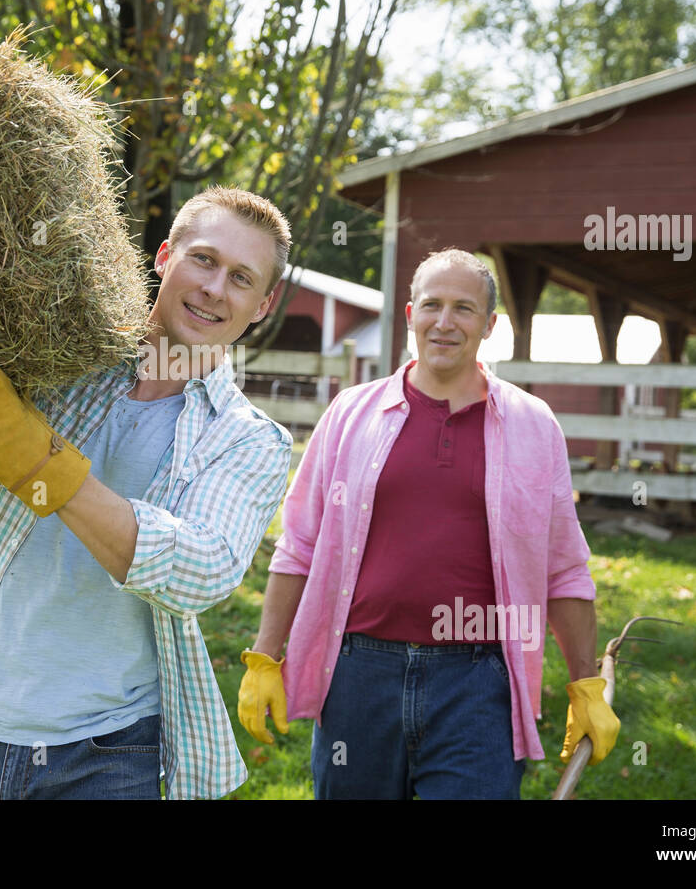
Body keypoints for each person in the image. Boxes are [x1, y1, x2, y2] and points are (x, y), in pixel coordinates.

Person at [0, 186, 293, 800]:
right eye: (205, 260)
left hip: (106, 752)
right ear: (164, 256)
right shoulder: (55, 366)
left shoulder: (247, 441)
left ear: (263, 304)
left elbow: (198, 573)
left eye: (242, 278)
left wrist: (44, 465)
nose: (215, 288)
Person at [236, 248, 619, 799]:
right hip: (358, 675)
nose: (445, 322)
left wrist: (585, 684)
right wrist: (264, 658)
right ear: (411, 314)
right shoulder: (350, 415)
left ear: (489, 325)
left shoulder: (533, 426)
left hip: (479, 682)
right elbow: (299, 546)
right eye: (432, 305)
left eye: (463, 308)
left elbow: (564, 569)